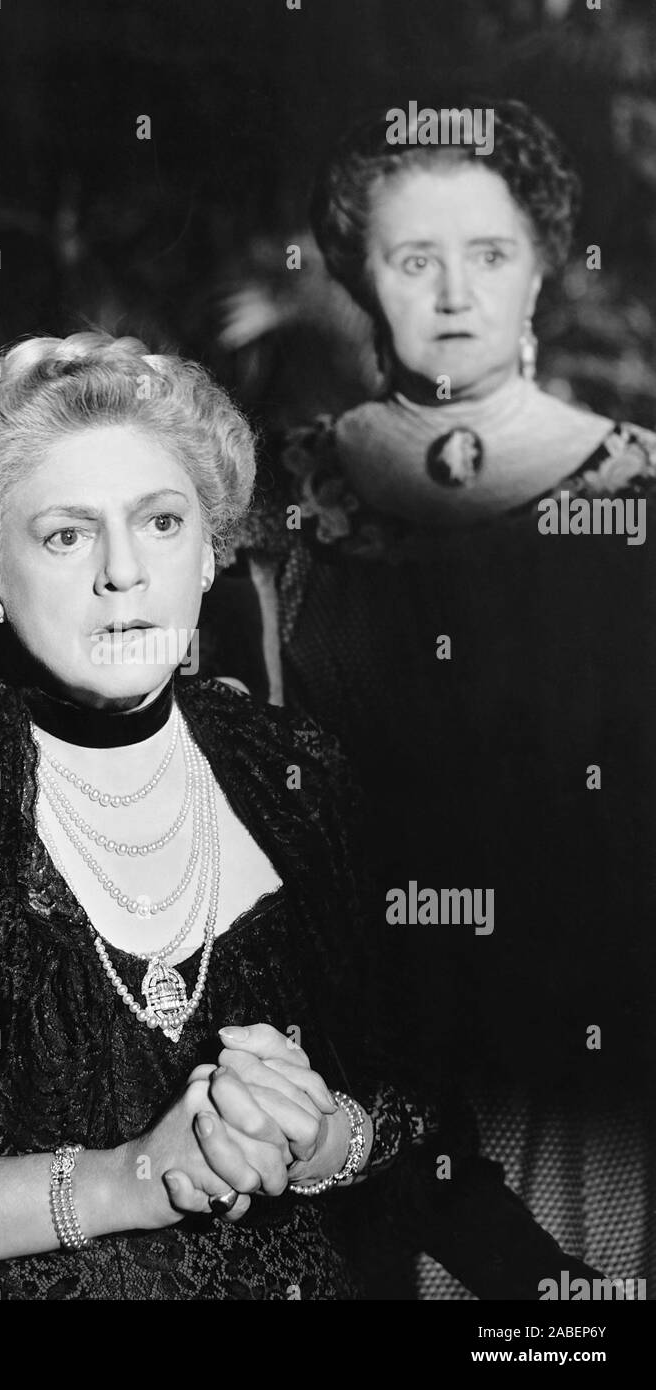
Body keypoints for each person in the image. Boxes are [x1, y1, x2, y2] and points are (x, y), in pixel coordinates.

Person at [0, 332, 601, 1300]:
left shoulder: (299, 770)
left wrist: (321, 1137)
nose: (122, 571)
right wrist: (128, 1177)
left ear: (212, 550)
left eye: (162, 522)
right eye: (66, 535)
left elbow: (426, 1124)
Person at [236, 100, 656, 1290]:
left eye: (489, 254)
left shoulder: (637, 487)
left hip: (591, 1016)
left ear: (539, 270)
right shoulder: (277, 494)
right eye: (415, 260)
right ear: (361, 276)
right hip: (362, 1004)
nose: (455, 293)